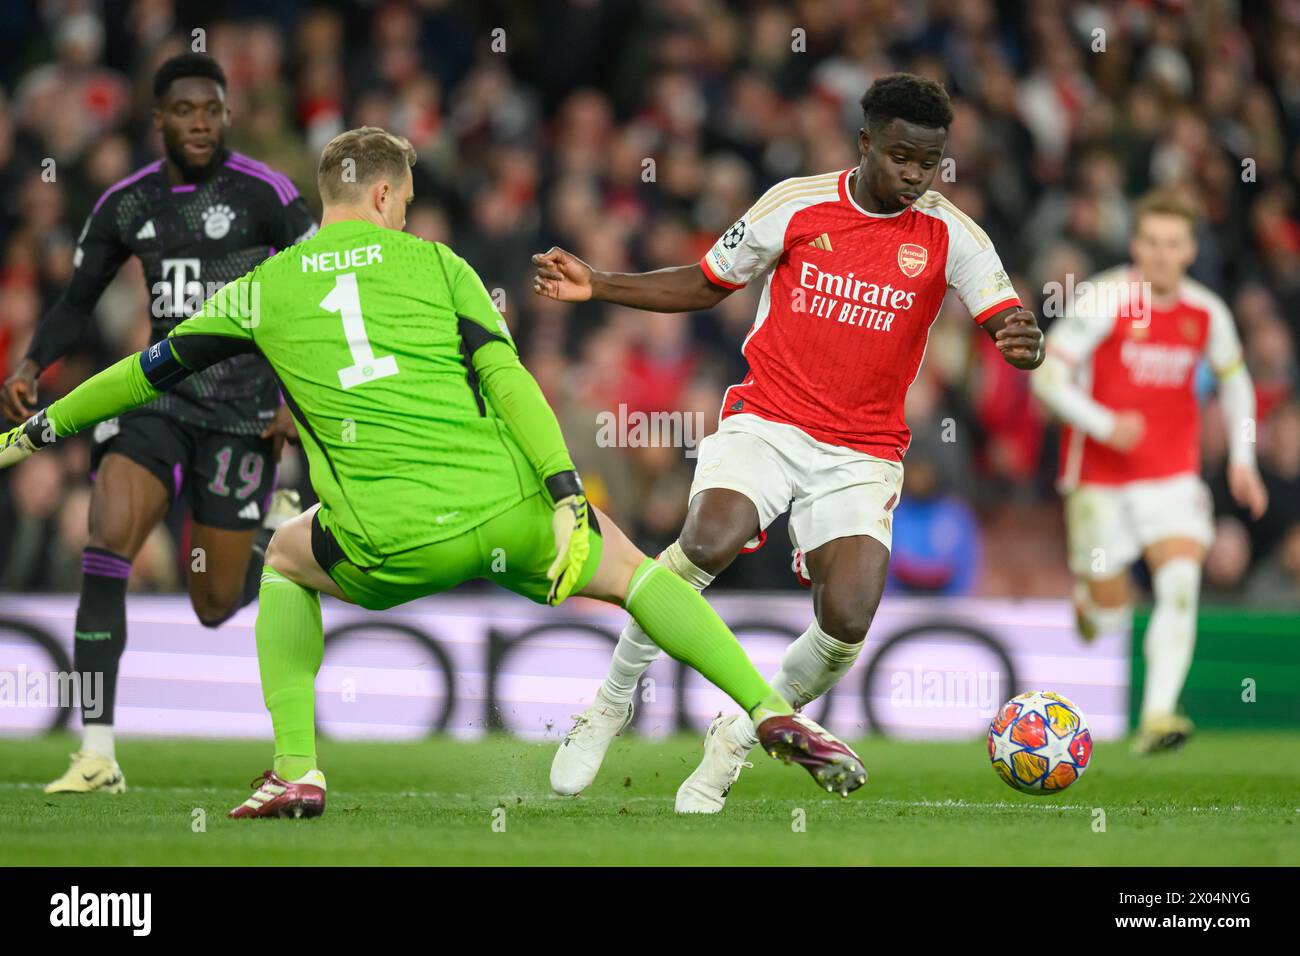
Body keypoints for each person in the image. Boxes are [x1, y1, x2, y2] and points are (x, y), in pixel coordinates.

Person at [0, 126, 866, 819]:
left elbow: (142, 372)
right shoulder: (440, 264)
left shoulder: (261, 287)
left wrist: (40, 431)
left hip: (387, 543)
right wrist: (566, 496)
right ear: (381, 196)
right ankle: (767, 708)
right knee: (639, 573)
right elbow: (509, 380)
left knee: (288, 559)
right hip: (509, 512)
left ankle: (297, 769)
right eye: (405, 203)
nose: (408, 217)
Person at [534, 73, 1044, 813]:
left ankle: (738, 737)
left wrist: (1020, 339)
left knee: (848, 619)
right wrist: (601, 283)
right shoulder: (797, 204)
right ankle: (610, 704)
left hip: (863, 452)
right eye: (900, 155)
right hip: (767, 421)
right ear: (865, 143)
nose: (913, 174)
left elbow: (1006, 315)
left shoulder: (948, 234)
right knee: (708, 541)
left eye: (928, 163)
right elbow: (710, 283)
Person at [0, 53, 317, 795]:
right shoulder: (127, 204)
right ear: (159, 119)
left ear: (229, 115)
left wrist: (294, 400)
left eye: (212, 109)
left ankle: (273, 530)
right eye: (185, 110)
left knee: (212, 605)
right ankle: (97, 752)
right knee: (106, 537)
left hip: (243, 415)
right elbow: (78, 301)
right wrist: (29, 366)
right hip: (157, 400)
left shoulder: (266, 195)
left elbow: (318, 297)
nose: (200, 122)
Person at [1030, 191, 1268, 754]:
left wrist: (1242, 457)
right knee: (1111, 615)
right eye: (1152, 243)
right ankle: (1092, 604)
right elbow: (1045, 377)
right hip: (1100, 479)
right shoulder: (1105, 299)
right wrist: (1104, 423)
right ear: (1136, 245)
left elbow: (1235, 382)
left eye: (1174, 244)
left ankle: (1158, 715)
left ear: (1190, 250)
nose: (1162, 255)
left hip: (1172, 473)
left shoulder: (1207, 312)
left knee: (1181, 580)